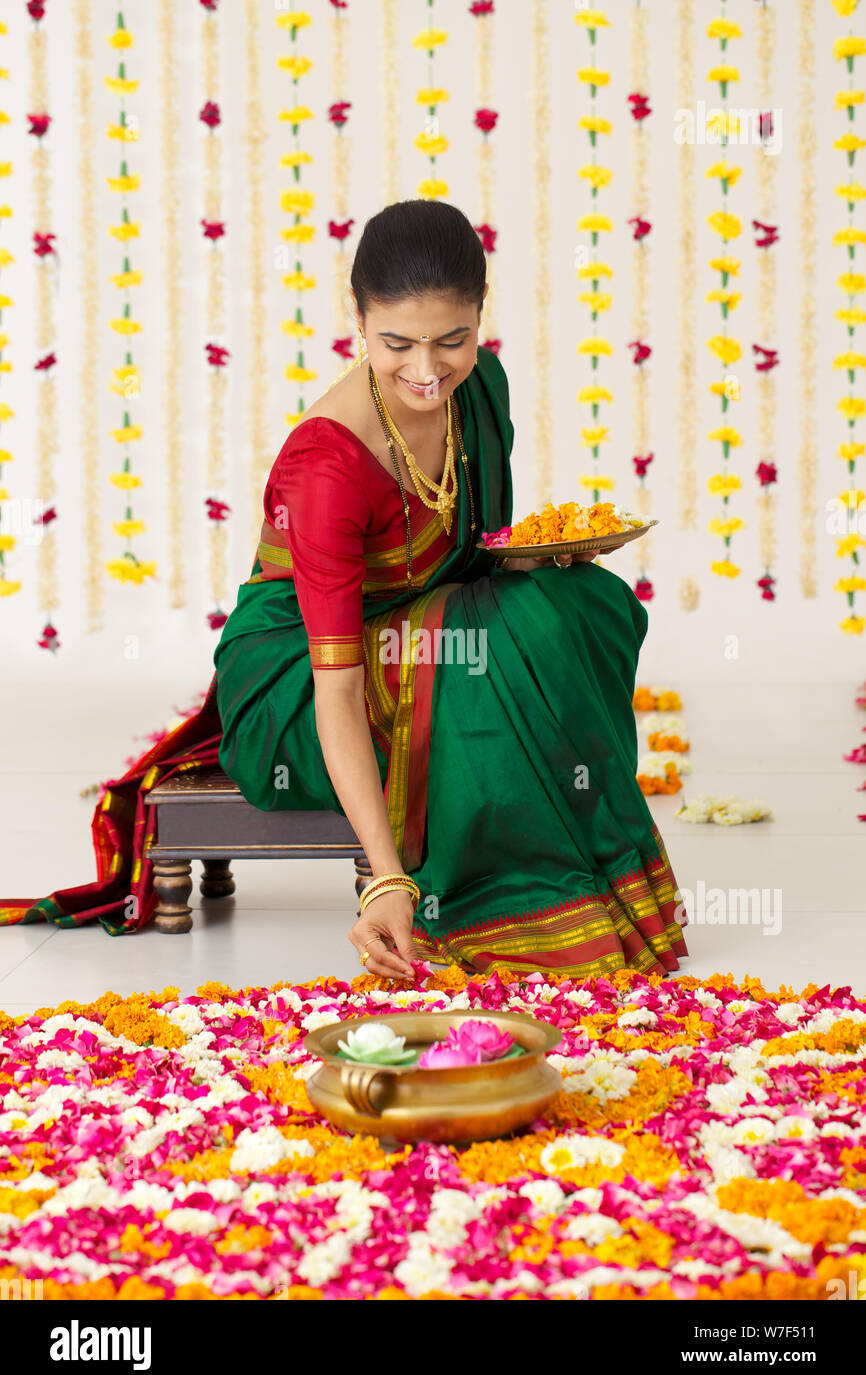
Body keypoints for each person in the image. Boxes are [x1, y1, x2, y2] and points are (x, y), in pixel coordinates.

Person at [1, 199, 688, 984]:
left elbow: (472, 555)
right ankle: (504, 908)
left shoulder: (480, 386)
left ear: (480, 319)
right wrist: (388, 877)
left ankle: (589, 864)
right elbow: (337, 690)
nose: (427, 371)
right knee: (495, 645)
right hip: (300, 680)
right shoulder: (327, 466)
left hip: (413, 628)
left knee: (585, 604)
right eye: (397, 343)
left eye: (451, 341)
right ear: (358, 318)